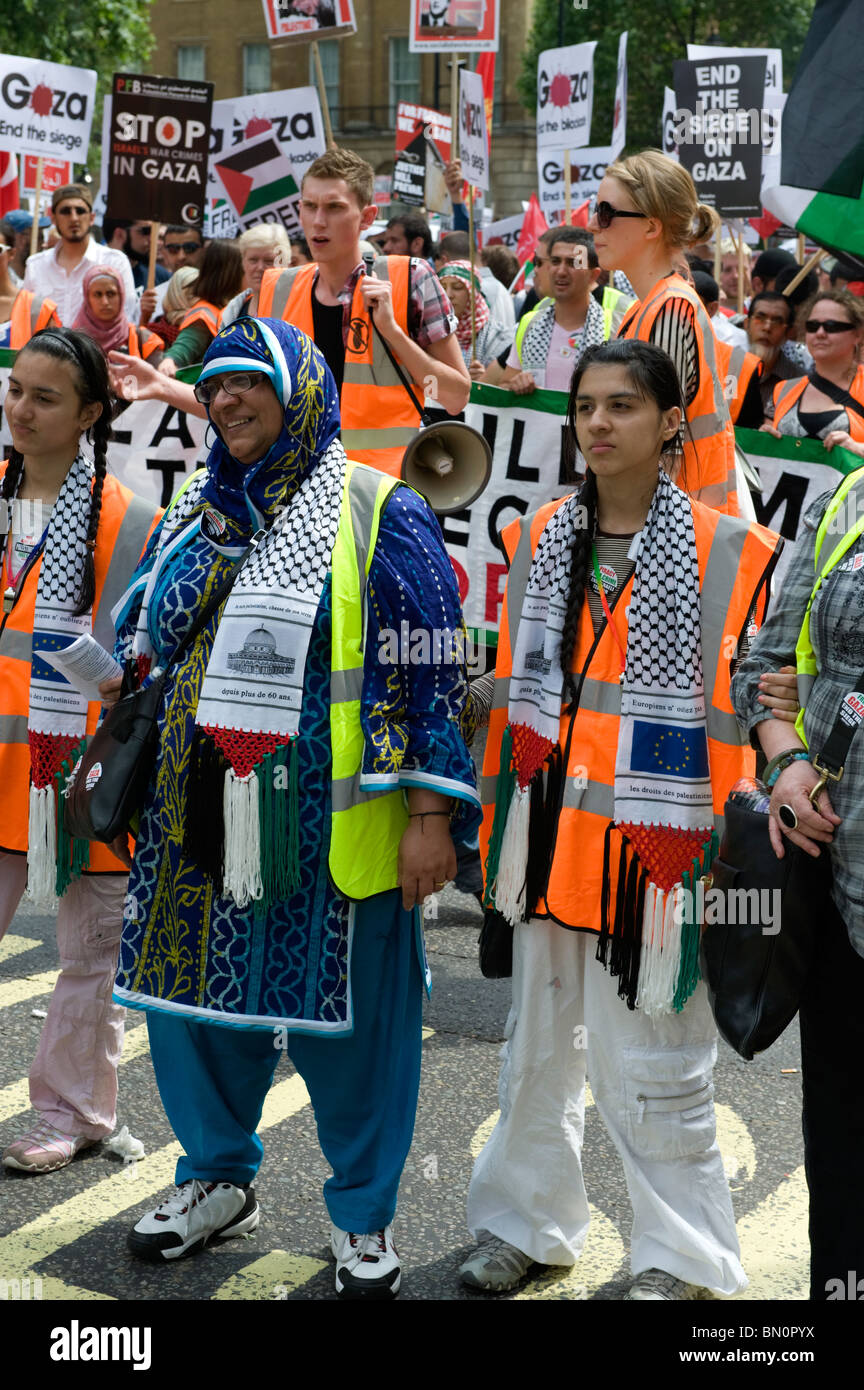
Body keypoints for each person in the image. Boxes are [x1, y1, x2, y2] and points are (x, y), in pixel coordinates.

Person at [107, 316, 480, 1298]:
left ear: (301, 397)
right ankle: (215, 1177)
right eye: (216, 384)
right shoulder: (198, 508)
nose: (226, 400)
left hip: (332, 832)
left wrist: (432, 817)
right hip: (197, 823)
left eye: (249, 384)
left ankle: (362, 1217)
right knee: (199, 1014)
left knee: (353, 1035)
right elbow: (146, 624)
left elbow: (427, 668)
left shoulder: (376, 509)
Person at [460, 338, 782, 1299]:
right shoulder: (538, 535)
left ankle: (679, 1259)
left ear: (670, 422)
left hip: (659, 859)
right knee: (534, 1056)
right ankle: (525, 1226)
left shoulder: (737, 552)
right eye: (586, 406)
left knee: (659, 1072)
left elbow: (760, 710)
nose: (597, 424)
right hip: (549, 846)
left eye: (622, 407)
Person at [0, 328, 160, 1173]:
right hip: (0, 769)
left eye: (45, 396)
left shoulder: (134, 521)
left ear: (92, 413)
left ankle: (72, 1113)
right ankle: (80, 1110)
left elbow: (147, 660)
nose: (21, 409)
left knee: (90, 953)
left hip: (84, 770)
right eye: (17, 389)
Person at [730, 464, 864, 1300]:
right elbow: (763, 666)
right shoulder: (847, 497)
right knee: (845, 1138)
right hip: (838, 883)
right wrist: (783, 762)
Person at [256, 147, 469, 473]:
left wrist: (393, 333)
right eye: (309, 206)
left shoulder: (412, 278)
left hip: (384, 493)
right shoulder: (275, 289)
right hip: (297, 492)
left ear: (367, 218)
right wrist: (162, 383)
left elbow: (455, 398)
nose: (318, 221)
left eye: (334, 207)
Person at [587, 150, 739, 514]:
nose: (593, 225)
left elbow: (658, 446)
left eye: (606, 213)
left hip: (678, 538)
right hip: (671, 529)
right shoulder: (648, 307)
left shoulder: (670, 307)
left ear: (652, 227)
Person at [488, 229, 629, 393]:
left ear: (593, 275)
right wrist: (516, 384)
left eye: (573, 263)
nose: (561, 271)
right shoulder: (530, 324)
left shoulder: (619, 327)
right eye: (555, 261)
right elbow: (505, 385)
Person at [23, 185, 136, 326]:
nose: (74, 218)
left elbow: (126, 317)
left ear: (92, 217)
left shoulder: (114, 262)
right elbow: (26, 318)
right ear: (53, 218)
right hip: (45, 348)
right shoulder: (35, 265)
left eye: (80, 211)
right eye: (65, 211)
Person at [765, 289, 864, 442]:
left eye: (831, 326)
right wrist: (763, 440)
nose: (820, 333)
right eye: (812, 326)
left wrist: (858, 450)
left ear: (858, 334)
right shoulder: (783, 390)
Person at [159, 238, 244, 375]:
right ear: (231, 274)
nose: (257, 270)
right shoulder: (204, 315)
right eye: (249, 263)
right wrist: (170, 362)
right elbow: (182, 350)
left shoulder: (239, 307)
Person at [72, 265, 164, 364]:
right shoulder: (72, 343)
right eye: (98, 294)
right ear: (87, 298)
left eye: (111, 294)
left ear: (121, 296)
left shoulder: (144, 340)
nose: (105, 302)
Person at [437, 260, 512, 379]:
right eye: (442, 287)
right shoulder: (432, 333)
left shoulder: (498, 337)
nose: (448, 294)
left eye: (457, 287)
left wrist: (486, 377)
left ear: (473, 293)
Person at [220, 225, 294, 327]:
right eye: (253, 260)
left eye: (269, 261)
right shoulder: (232, 311)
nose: (260, 267)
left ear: (285, 263)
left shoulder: (295, 306)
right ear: (243, 262)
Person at [745, 291, 804, 414]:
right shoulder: (727, 370)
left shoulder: (798, 382)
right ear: (747, 324)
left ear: (789, 332)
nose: (767, 328)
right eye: (760, 318)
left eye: (777, 322)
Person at [143, 266, 198, 349]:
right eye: (193, 294)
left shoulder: (210, 327)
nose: (199, 300)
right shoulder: (154, 334)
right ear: (175, 296)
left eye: (202, 293)